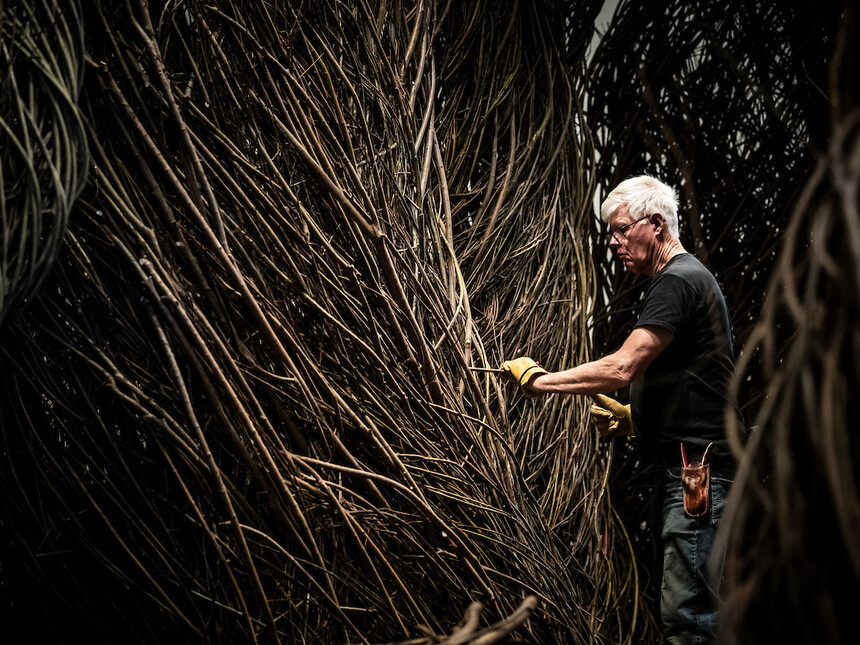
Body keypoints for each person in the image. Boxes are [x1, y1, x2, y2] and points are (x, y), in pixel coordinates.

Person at [500, 175, 741, 644]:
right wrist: (638, 420)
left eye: (619, 229)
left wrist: (540, 381)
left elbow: (621, 367)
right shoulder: (688, 278)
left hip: (696, 472)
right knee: (687, 606)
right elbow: (700, 378)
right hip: (692, 467)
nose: (612, 242)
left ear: (655, 224)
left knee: (688, 618)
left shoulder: (677, 281)